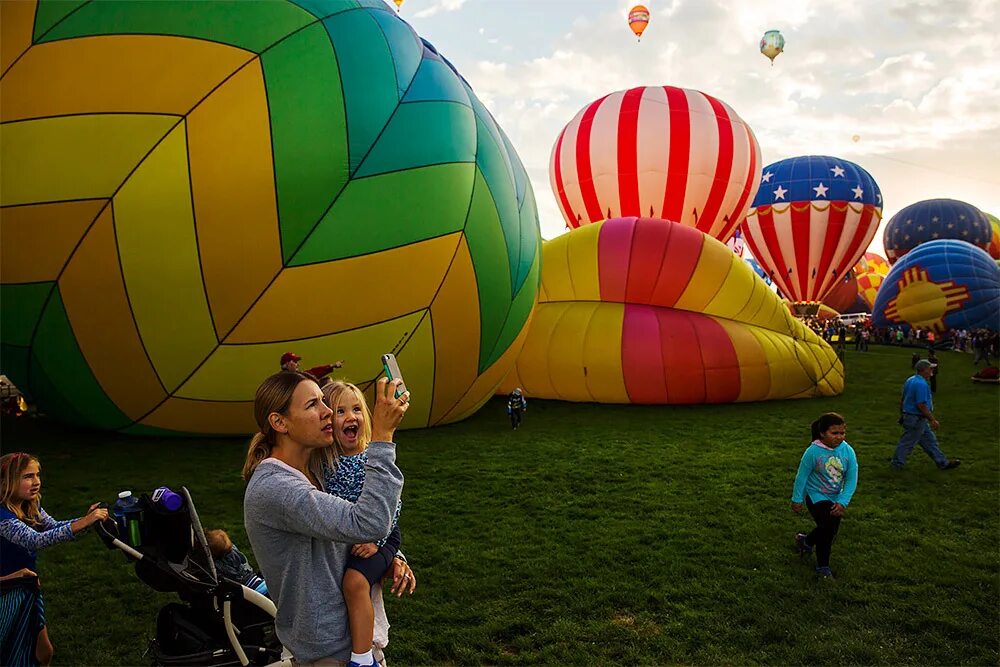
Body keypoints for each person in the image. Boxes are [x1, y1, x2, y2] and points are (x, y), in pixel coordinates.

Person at [243, 371, 415, 667]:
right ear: (279, 422)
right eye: (313, 404)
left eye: (324, 401)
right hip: (327, 653)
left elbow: (347, 535)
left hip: (351, 641)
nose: (327, 412)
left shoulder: (317, 471)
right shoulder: (277, 489)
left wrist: (389, 555)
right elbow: (367, 523)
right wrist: (383, 437)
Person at [321, 381, 403, 667]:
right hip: (347, 543)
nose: (350, 417)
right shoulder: (324, 462)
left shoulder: (372, 458)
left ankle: (363, 658)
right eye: (340, 411)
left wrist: (376, 542)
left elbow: (393, 506)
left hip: (378, 540)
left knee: (355, 583)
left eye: (356, 409)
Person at [0, 452, 109, 666]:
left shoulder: (30, 505)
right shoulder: (2, 517)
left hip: (24, 586)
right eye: (28, 476)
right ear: (6, 481)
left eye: (37, 475)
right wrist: (84, 522)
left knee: (44, 653)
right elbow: (35, 540)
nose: (36, 482)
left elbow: (53, 527)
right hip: (5, 590)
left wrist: (88, 520)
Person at [790, 413, 858, 580]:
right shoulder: (812, 452)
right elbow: (802, 476)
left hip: (836, 497)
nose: (839, 437)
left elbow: (851, 478)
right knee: (827, 529)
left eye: (842, 433)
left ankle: (806, 541)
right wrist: (797, 499)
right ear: (822, 433)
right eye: (834, 433)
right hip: (816, 496)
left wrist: (842, 501)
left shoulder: (848, 451)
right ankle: (823, 567)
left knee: (830, 529)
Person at [891, 360, 960, 471]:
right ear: (924, 370)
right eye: (930, 368)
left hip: (914, 417)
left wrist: (902, 414)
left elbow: (903, 399)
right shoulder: (921, 384)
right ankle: (897, 464)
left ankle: (942, 462)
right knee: (907, 442)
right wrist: (932, 420)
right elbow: (921, 405)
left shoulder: (910, 380)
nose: (932, 371)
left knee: (930, 441)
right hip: (916, 418)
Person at [206, 529, 268, 596]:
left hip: (250, 589)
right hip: (255, 580)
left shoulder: (220, 565)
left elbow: (232, 577)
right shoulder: (234, 552)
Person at [280, 351, 345, 381]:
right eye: (295, 362)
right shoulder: (282, 380)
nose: (298, 364)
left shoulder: (299, 376)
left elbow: (313, 372)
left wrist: (332, 366)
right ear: (288, 364)